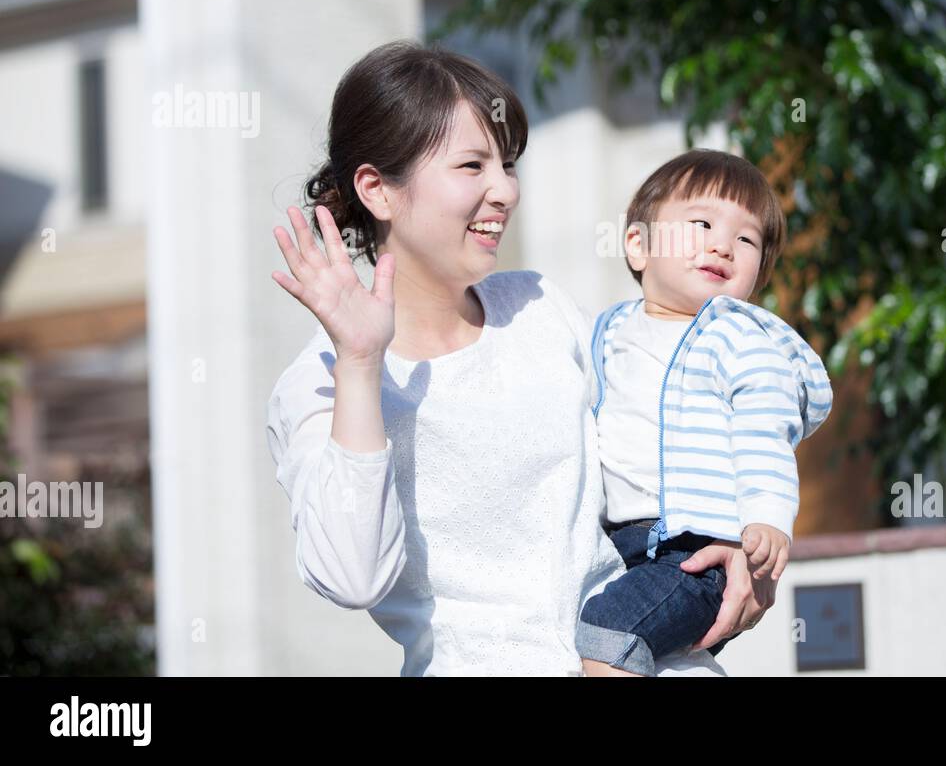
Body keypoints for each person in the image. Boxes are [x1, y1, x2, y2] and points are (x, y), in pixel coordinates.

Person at [265, 41, 775, 675]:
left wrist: (726, 537)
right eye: (471, 166)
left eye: (507, 164)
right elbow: (351, 576)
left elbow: (647, 446)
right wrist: (362, 361)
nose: (506, 190)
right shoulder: (320, 382)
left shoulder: (539, 306)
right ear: (378, 190)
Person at [577, 150, 833, 676]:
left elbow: (764, 432)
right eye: (702, 224)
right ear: (638, 245)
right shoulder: (605, 332)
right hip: (622, 547)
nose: (723, 245)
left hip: (697, 556)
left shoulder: (738, 339)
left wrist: (767, 517)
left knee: (608, 629)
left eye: (747, 240)